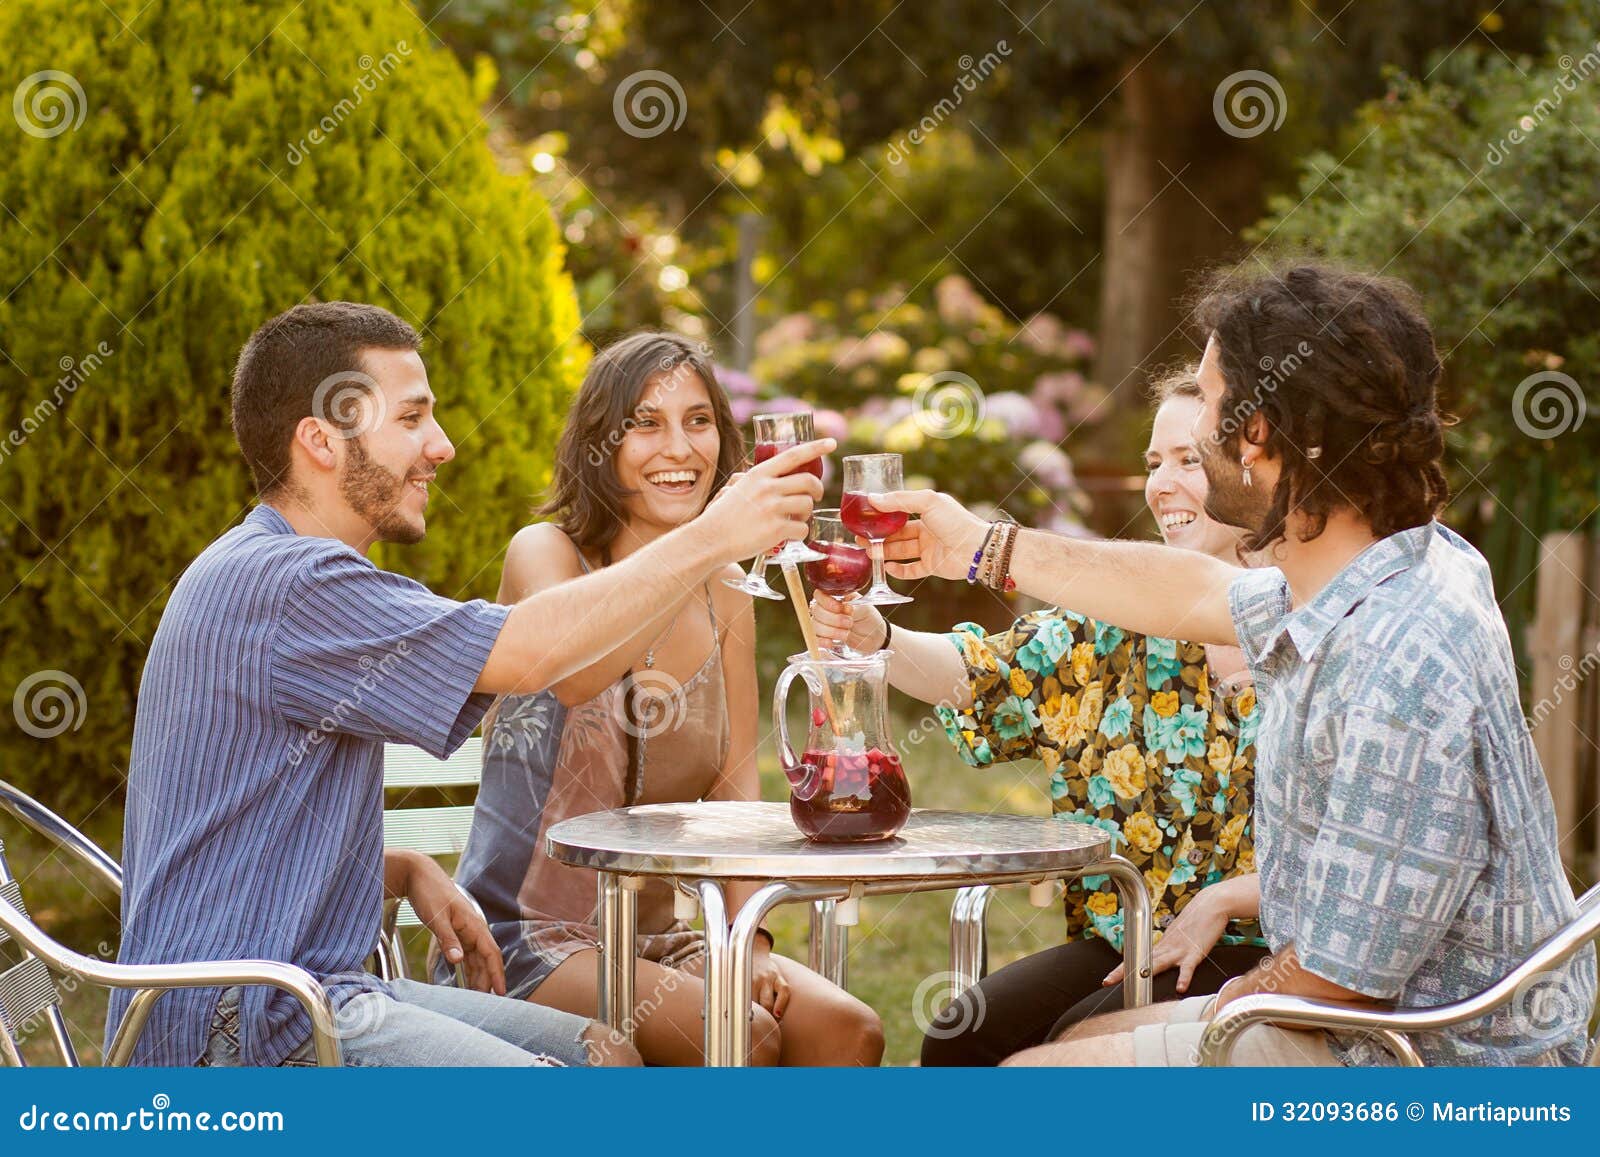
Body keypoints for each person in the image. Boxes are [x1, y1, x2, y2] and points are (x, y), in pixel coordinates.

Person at [868, 264, 1596, 1067]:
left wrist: (1209, 1010)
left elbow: (1336, 977)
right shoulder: (1389, 572)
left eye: (1211, 406)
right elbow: (1192, 591)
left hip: (1426, 1068)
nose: (1199, 427)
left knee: (1020, 1083)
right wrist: (979, 546)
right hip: (1366, 1019)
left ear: (1260, 436)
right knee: (1036, 1045)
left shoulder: (1399, 660)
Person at [109, 303, 831, 1068]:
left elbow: (239, 827)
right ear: (320, 439)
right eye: (412, 417)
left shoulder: (275, 569)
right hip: (240, 1022)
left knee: (604, 1055)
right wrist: (714, 533)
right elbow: (535, 653)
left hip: (309, 991)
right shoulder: (293, 583)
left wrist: (401, 866)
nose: (442, 445)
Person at [439, 332, 883, 1066]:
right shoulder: (545, 553)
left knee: (847, 1029)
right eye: (645, 423)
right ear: (600, 445)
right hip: (522, 937)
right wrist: (708, 540)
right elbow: (576, 673)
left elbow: (735, 788)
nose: (679, 447)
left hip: (663, 938)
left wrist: (751, 941)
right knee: (741, 1035)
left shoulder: (726, 590)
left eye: (698, 420)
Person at [811, 369, 1268, 1066]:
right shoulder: (1117, 618)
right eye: (1154, 463)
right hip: (1129, 937)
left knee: (1071, 1043)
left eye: (1189, 460)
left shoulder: (1309, 624)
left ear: (1252, 469)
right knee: (961, 1037)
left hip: (1273, 949)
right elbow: (979, 676)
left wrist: (1230, 899)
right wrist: (880, 637)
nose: (1162, 484)